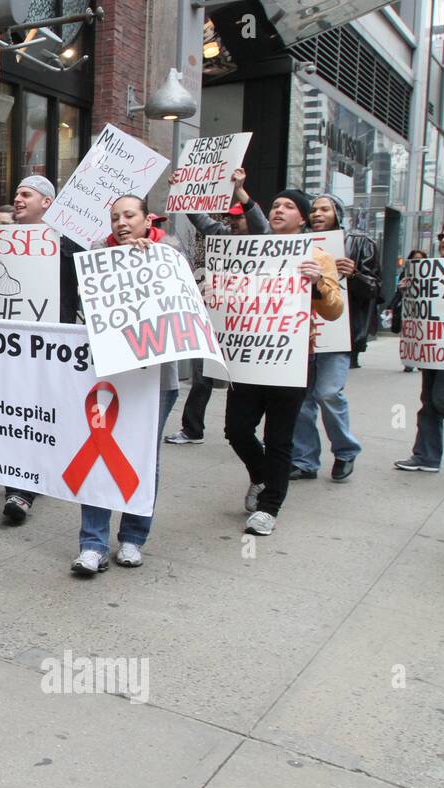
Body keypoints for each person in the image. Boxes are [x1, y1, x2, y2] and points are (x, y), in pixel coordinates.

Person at [71, 195, 181, 575]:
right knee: (99, 451)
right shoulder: (99, 253)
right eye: (115, 217)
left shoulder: (168, 249)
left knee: (143, 456)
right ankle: (93, 544)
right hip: (109, 375)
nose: (121, 222)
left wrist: (151, 257)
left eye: (129, 215)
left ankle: (133, 538)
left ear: (146, 218)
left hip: (156, 378)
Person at [226, 190, 344, 536]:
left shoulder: (319, 257)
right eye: (275, 204)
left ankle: (269, 506)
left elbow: (334, 310)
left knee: (279, 437)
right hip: (249, 355)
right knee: (236, 429)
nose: (279, 210)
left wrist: (318, 282)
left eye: (288, 206)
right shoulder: (251, 251)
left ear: (303, 218)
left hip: (290, 359)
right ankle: (262, 475)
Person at [0, 175, 84, 525]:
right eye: (16, 193)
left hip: (50, 348)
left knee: (36, 415)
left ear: (47, 203)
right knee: (13, 413)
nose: (18, 199)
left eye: (26, 194)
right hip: (8, 348)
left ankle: (21, 489)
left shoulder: (67, 244)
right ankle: (19, 484)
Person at [165, 167, 269, 446]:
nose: (232, 223)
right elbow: (199, 218)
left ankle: (247, 430)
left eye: (239, 218)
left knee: (249, 382)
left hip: (248, 323)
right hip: (215, 318)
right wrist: (182, 190)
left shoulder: (263, 241)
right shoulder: (221, 235)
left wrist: (240, 191)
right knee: (201, 378)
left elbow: (260, 224)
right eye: (230, 218)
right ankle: (193, 429)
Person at [290, 194, 377, 481]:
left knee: (328, 392)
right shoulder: (294, 242)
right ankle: (305, 460)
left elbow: (377, 290)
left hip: (338, 335)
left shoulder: (358, 243)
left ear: (337, 213)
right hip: (303, 335)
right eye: (313, 209)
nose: (317, 214)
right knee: (302, 400)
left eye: (324, 209)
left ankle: (345, 450)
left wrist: (354, 276)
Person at [394, 221, 444, 474]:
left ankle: (427, 455)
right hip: (435, 347)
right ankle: (426, 456)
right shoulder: (432, 271)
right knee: (428, 401)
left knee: (442, 399)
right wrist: (409, 291)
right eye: (442, 235)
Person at [390, 249, 426, 372]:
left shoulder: (429, 274)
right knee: (409, 335)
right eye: (415, 258)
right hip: (409, 310)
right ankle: (410, 361)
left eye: (420, 258)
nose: (418, 261)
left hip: (423, 311)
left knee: (422, 336)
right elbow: (399, 292)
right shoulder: (405, 273)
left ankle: (421, 360)